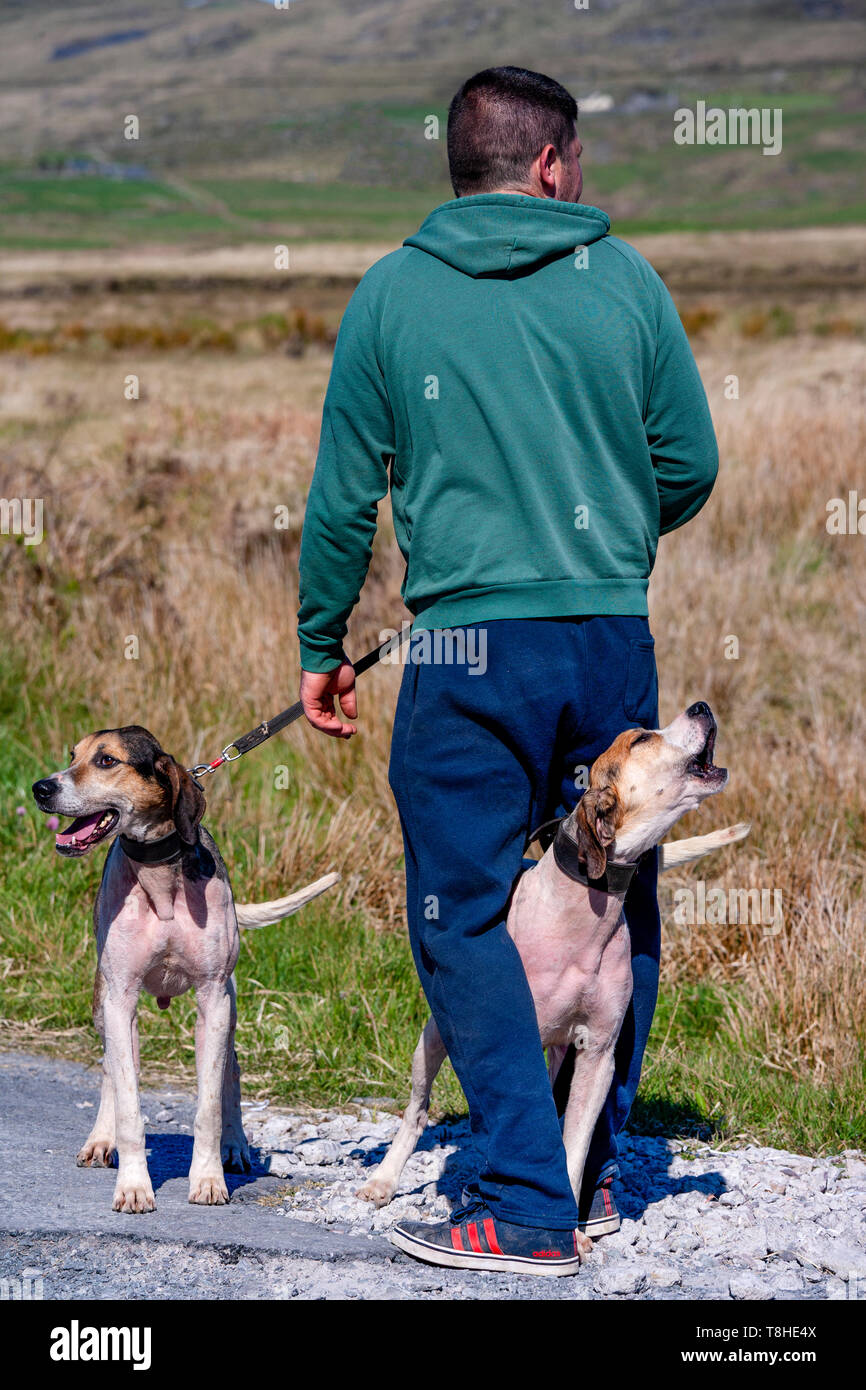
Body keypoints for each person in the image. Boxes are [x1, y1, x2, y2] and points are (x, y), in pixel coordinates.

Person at [297, 66, 718, 1276]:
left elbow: (340, 502)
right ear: (547, 165)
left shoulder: (389, 293)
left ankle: (525, 1195)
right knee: (613, 869)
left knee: (456, 908)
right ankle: (578, 1174)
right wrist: (605, 539)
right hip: (603, 634)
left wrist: (323, 645)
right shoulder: (623, 279)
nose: (581, 176)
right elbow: (686, 461)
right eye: (576, 157)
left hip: (465, 648)